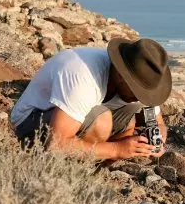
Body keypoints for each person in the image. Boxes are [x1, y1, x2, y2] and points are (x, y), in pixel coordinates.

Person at [11, 38, 172, 160]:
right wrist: (117, 149)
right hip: (30, 124)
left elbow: (158, 123)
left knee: (133, 116)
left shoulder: (138, 78)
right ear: (121, 75)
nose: (139, 97)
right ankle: (73, 171)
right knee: (102, 120)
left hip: (73, 122)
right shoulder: (82, 76)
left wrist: (158, 139)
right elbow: (56, 144)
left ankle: (95, 155)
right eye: (136, 91)